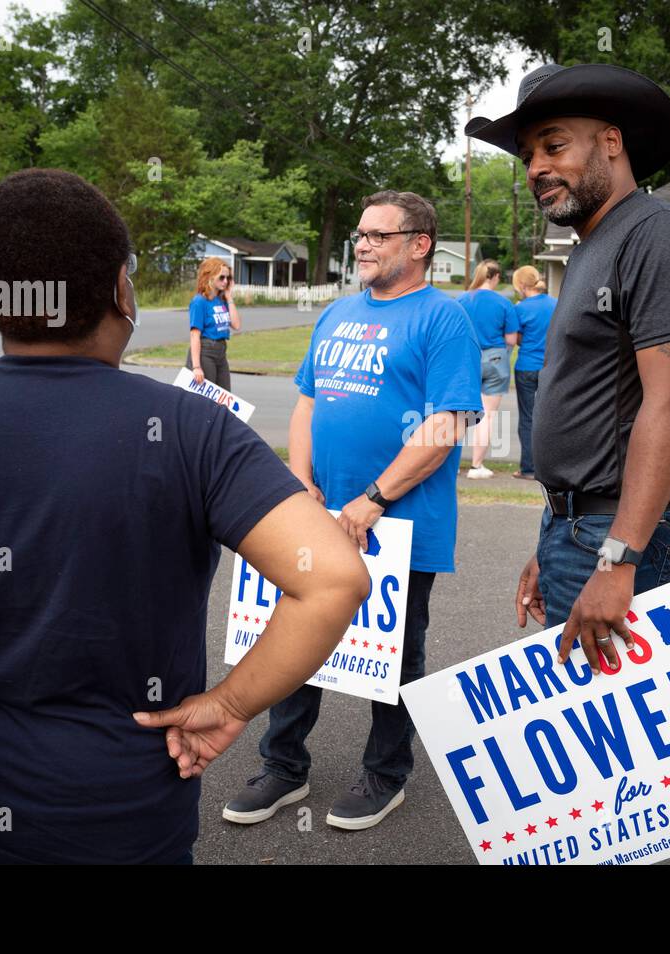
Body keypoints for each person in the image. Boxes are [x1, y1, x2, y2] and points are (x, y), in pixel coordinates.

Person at [0, 168, 370, 864]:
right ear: (121, 288)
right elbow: (332, 579)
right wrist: (232, 705)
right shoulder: (190, 430)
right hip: (116, 816)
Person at [224, 190, 482, 832]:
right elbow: (308, 402)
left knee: (394, 655)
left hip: (397, 525)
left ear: (419, 245)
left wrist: (375, 499)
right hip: (316, 516)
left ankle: (385, 776)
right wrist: (299, 481)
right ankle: (284, 769)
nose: (362, 245)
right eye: (359, 236)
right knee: (294, 635)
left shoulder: (444, 320)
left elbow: (447, 422)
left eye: (377, 236)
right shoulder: (337, 313)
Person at [466, 63, 670, 673]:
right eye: (527, 156)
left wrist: (618, 559)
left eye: (554, 146)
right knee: (604, 751)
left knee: (637, 750)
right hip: (582, 528)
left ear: (611, 142)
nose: (536, 169)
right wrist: (552, 538)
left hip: (626, 537)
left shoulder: (657, 235)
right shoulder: (590, 247)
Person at [457, 260, 519, 479]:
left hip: (467, 359)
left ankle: (452, 465)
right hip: (494, 358)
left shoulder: (462, 299)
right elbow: (511, 338)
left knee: (459, 413)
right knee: (487, 415)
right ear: (495, 277)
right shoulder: (504, 302)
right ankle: (476, 466)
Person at [509, 265, 556, 480]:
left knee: (527, 418)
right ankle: (552, 467)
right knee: (551, 417)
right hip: (550, 366)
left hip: (526, 366)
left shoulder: (520, 309)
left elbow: (517, 338)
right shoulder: (555, 303)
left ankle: (528, 467)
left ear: (521, 285)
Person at [188, 257, 241, 389]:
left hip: (221, 351)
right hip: (206, 351)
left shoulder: (221, 300)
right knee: (208, 399)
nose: (225, 281)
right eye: (221, 277)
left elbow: (236, 325)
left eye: (228, 278)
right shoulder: (199, 301)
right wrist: (196, 367)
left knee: (224, 395)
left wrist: (229, 297)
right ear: (210, 277)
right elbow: (195, 334)